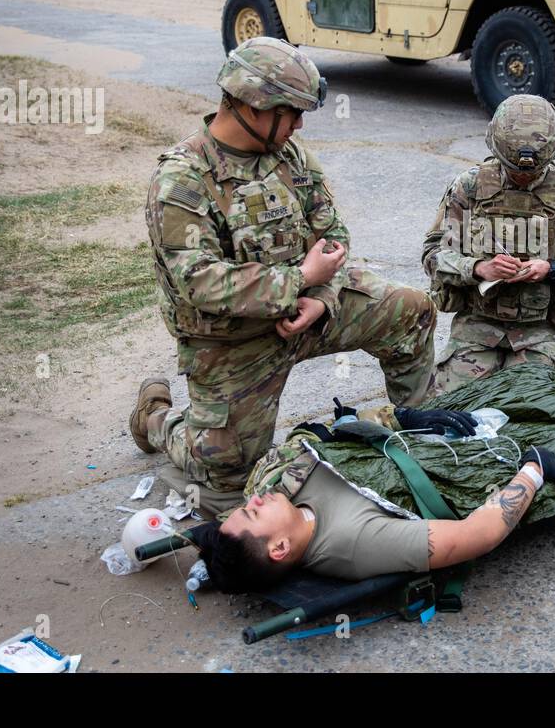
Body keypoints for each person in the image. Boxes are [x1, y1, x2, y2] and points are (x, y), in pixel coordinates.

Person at [129, 37, 437, 501]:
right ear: (254, 106)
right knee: (229, 478)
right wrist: (302, 280)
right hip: (234, 342)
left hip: (310, 311)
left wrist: (322, 297)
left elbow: (333, 235)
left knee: (412, 310)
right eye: (291, 112)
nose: (298, 125)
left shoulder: (289, 157)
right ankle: (156, 418)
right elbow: (199, 282)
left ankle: (422, 435)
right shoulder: (182, 180)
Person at [192, 407, 555, 590]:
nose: (255, 502)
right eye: (253, 514)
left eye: (247, 507)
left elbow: (320, 436)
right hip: (465, 460)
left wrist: (400, 417)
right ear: (280, 548)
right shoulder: (354, 544)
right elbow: (477, 535)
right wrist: (532, 472)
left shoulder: (281, 490)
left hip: (419, 435)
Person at [421, 94, 555, 393]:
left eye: (532, 172)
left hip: (540, 331)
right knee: (448, 405)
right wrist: (478, 268)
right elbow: (433, 254)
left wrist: (553, 270)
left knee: (533, 405)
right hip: (477, 325)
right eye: (513, 170)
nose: (522, 178)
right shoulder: (469, 187)